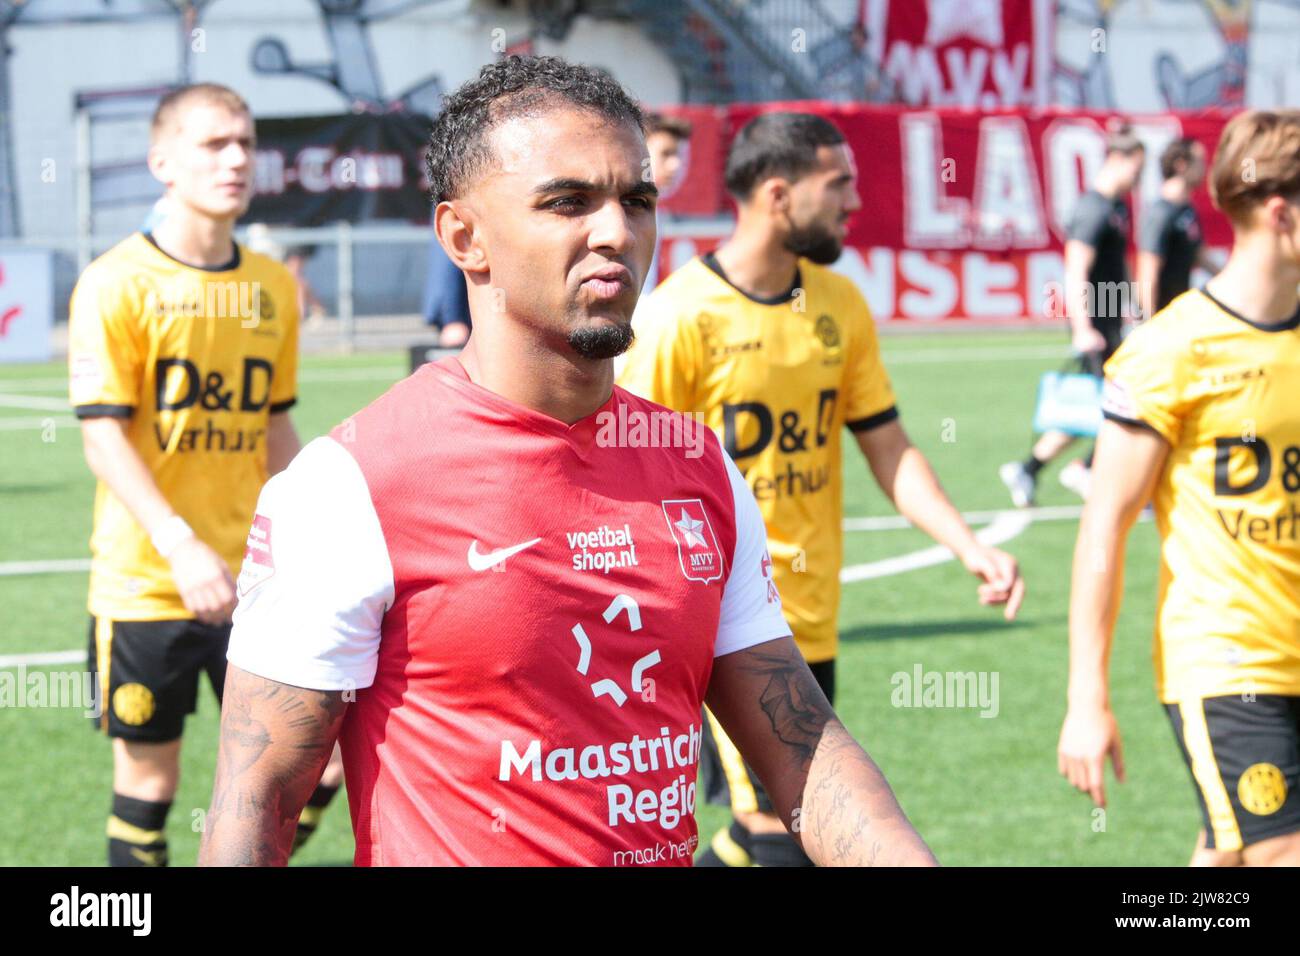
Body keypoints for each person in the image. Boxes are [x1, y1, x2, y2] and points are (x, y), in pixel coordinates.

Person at [197, 56, 938, 868]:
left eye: (637, 199)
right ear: (463, 237)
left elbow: (800, 749)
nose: (616, 231)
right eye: (567, 202)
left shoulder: (702, 468)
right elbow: (257, 795)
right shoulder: (349, 486)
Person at [618, 111, 1024, 867]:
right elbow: (624, 473)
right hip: (723, 630)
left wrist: (967, 545)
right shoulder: (680, 315)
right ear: (778, 194)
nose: (853, 203)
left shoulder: (839, 304)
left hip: (810, 622)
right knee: (795, 831)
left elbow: (889, 446)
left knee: (770, 830)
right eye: (838, 184)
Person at [67, 83, 324, 866]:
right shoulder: (118, 282)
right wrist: (178, 544)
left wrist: (319, 527)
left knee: (316, 767)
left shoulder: (274, 287)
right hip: (147, 584)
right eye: (215, 144)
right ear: (162, 163)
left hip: (256, 581)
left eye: (245, 142)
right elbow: (103, 437)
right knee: (150, 783)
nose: (238, 158)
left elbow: (273, 421)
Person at [1057, 109, 1300, 866]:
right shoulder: (1171, 351)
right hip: (1230, 661)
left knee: (1223, 852)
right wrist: (1085, 698)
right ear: (1281, 211)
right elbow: (1104, 527)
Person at [1001, 124, 1146, 506]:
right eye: (1137, 169)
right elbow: (1076, 268)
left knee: (1102, 402)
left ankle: (1032, 469)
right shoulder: (1093, 208)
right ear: (1118, 160)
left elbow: (1118, 266)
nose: (1140, 179)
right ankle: (1087, 471)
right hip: (1095, 323)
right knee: (1119, 401)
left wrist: (1130, 305)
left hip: (1111, 320)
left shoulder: (1116, 208)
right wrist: (1083, 327)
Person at [1136, 137, 1212, 320]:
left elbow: (1200, 257)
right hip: (1161, 318)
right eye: (1199, 161)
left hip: (1178, 315)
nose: (1204, 167)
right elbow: (1147, 271)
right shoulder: (1160, 213)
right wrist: (1149, 322)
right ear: (1181, 165)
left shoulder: (1187, 211)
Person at [641, 112, 692, 296]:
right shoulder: (623, 212)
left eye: (678, 154)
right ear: (638, 151)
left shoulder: (653, 211)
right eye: (666, 153)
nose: (675, 165)